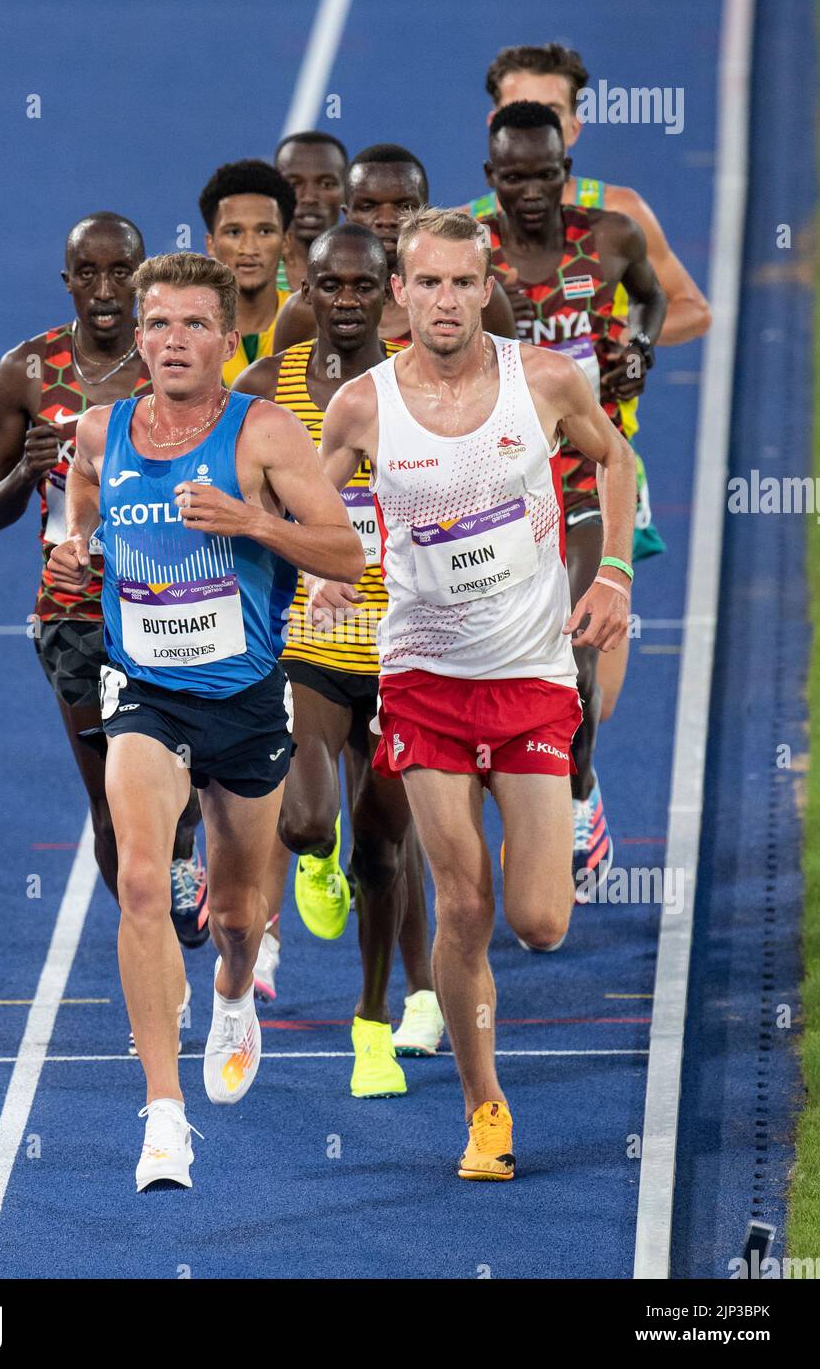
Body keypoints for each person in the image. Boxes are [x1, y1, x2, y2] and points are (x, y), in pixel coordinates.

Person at [318, 206, 637, 1178]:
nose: (447, 300)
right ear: (399, 294)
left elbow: (614, 456)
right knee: (463, 908)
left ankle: (577, 803)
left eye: (464, 282)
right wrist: (321, 567)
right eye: (429, 283)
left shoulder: (540, 380)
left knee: (539, 921)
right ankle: (485, 1108)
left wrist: (614, 571)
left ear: (485, 284)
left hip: (532, 681)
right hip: (423, 687)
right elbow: (311, 496)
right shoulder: (364, 406)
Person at [47, 252, 364, 1190]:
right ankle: (163, 1115)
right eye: (157, 325)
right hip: (145, 694)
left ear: (228, 340)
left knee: (234, 915)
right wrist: (77, 550)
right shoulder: (103, 430)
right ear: (137, 338)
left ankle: (231, 994)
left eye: (193, 325)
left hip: (248, 703)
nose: (173, 341)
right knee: (143, 881)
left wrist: (251, 522)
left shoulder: (261, 431)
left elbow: (342, 551)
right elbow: (85, 508)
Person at [0, 213, 210, 1002]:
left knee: (180, 790)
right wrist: (24, 473)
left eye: (122, 273)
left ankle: (183, 853)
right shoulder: (28, 373)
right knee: (112, 805)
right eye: (89, 273)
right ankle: (158, 964)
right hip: (74, 613)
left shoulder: (179, 359)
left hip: (174, 600)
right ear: (67, 280)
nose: (106, 291)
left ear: (143, 278)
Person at [236, 224, 445, 1090]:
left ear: (389, 290)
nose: (349, 300)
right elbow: (237, 507)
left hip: (403, 646)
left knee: (386, 849)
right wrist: (305, 557)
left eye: (365, 285)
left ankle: (377, 1022)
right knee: (306, 822)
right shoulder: (263, 389)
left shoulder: (425, 380)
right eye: (332, 285)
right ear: (306, 290)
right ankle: (313, 859)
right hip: (310, 645)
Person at [462, 41, 712, 720]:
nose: (533, 120)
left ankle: (578, 803)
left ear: (571, 129)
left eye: (548, 110)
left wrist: (629, 345)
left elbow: (688, 307)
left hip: (599, 460)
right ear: (494, 127)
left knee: (589, 682)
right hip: (500, 474)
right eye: (518, 109)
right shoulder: (464, 236)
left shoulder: (615, 217)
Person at [479, 102, 666, 896]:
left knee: (578, 660)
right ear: (491, 180)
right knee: (497, 671)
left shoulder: (611, 236)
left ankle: (579, 795)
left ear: (565, 171)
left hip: (584, 476)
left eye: (544, 173)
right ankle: (525, 806)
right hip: (492, 492)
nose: (530, 189)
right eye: (513, 176)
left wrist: (639, 347)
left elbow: (652, 298)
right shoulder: (469, 262)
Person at [273, 144, 517, 350]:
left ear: (426, 213)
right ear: (347, 215)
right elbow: (280, 396)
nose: (386, 219)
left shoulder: (478, 298)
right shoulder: (305, 310)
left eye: (404, 206)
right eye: (368, 207)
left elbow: (511, 388)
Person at [199, 160, 296, 385]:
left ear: (286, 241)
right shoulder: (185, 330)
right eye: (234, 232)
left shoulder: (317, 325)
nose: (249, 249)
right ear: (211, 244)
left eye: (264, 231)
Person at [274, 131, 348, 292]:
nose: (309, 197)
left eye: (326, 184)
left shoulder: (371, 275)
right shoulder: (249, 276)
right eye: (294, 184)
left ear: (347, 192)